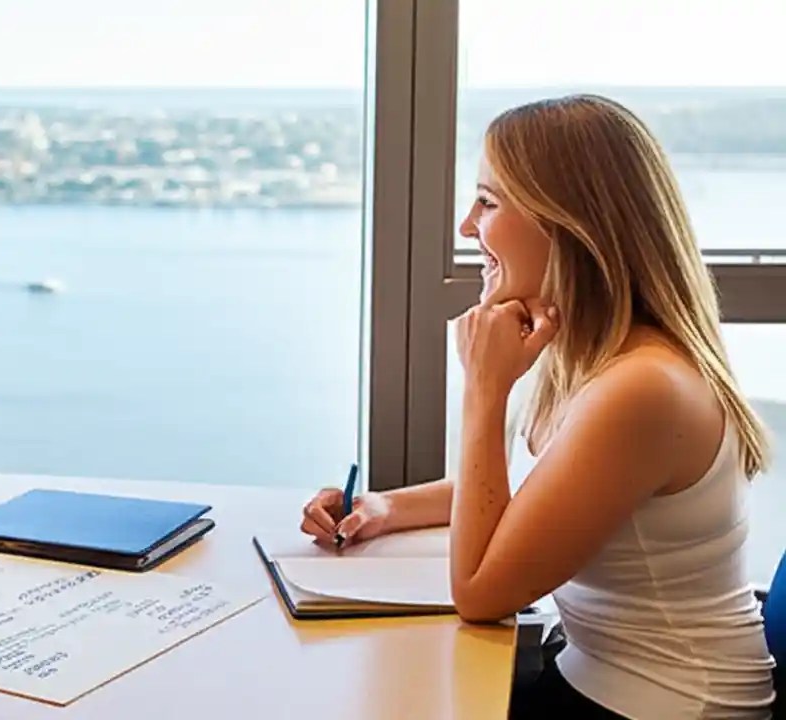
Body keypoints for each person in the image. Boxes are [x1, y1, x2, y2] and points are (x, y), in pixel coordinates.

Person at [301, 95, 776, 718]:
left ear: (568, 224)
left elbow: (481, 593)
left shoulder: (642, 390)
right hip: (595, 679)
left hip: (661, 705)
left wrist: (484, 389)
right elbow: (530, 494)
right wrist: (385, 507)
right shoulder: (587, 353)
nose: (467, 227)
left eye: (488, 202)